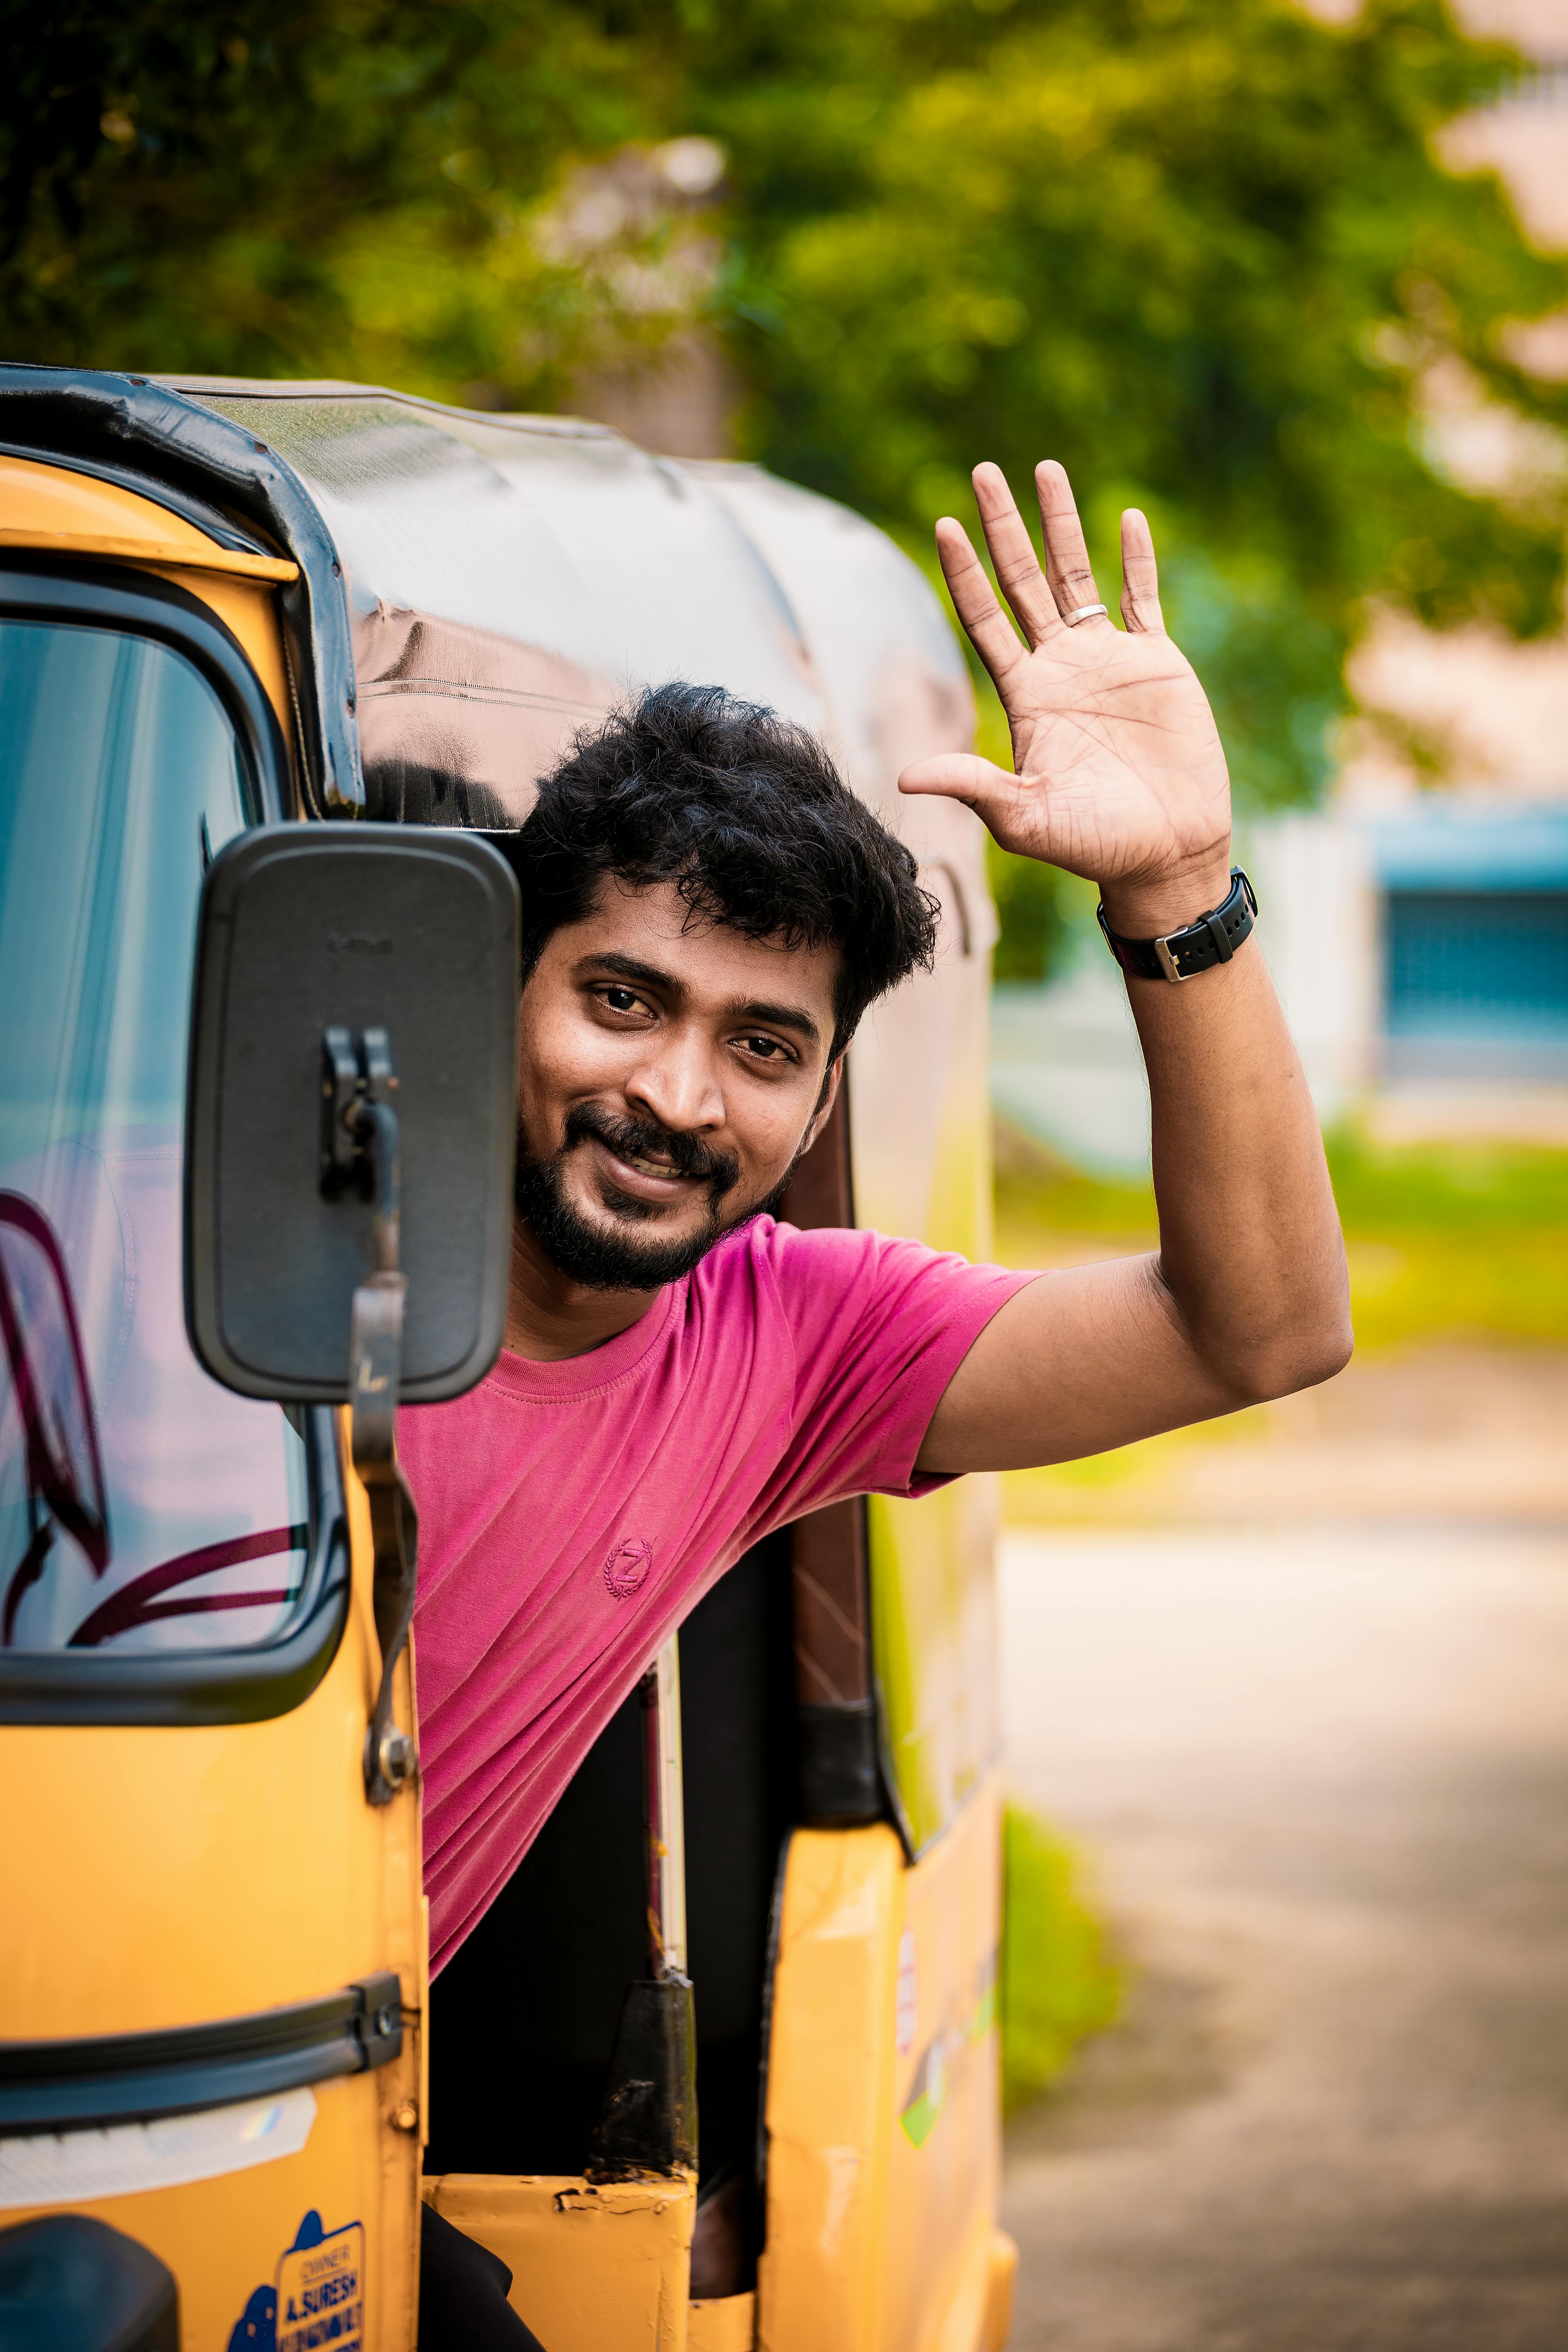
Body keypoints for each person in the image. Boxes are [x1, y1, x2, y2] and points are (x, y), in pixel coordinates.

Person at [406, 460, 1352, 2345]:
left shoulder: (784, 1344)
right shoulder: (165, 1248)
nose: (678, 1097)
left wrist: (1175, 888)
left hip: (297, 2119)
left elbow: (1256, 1331)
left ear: (822, 1095)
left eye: (761, 1046)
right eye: (622, 1000)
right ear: (500, 986)